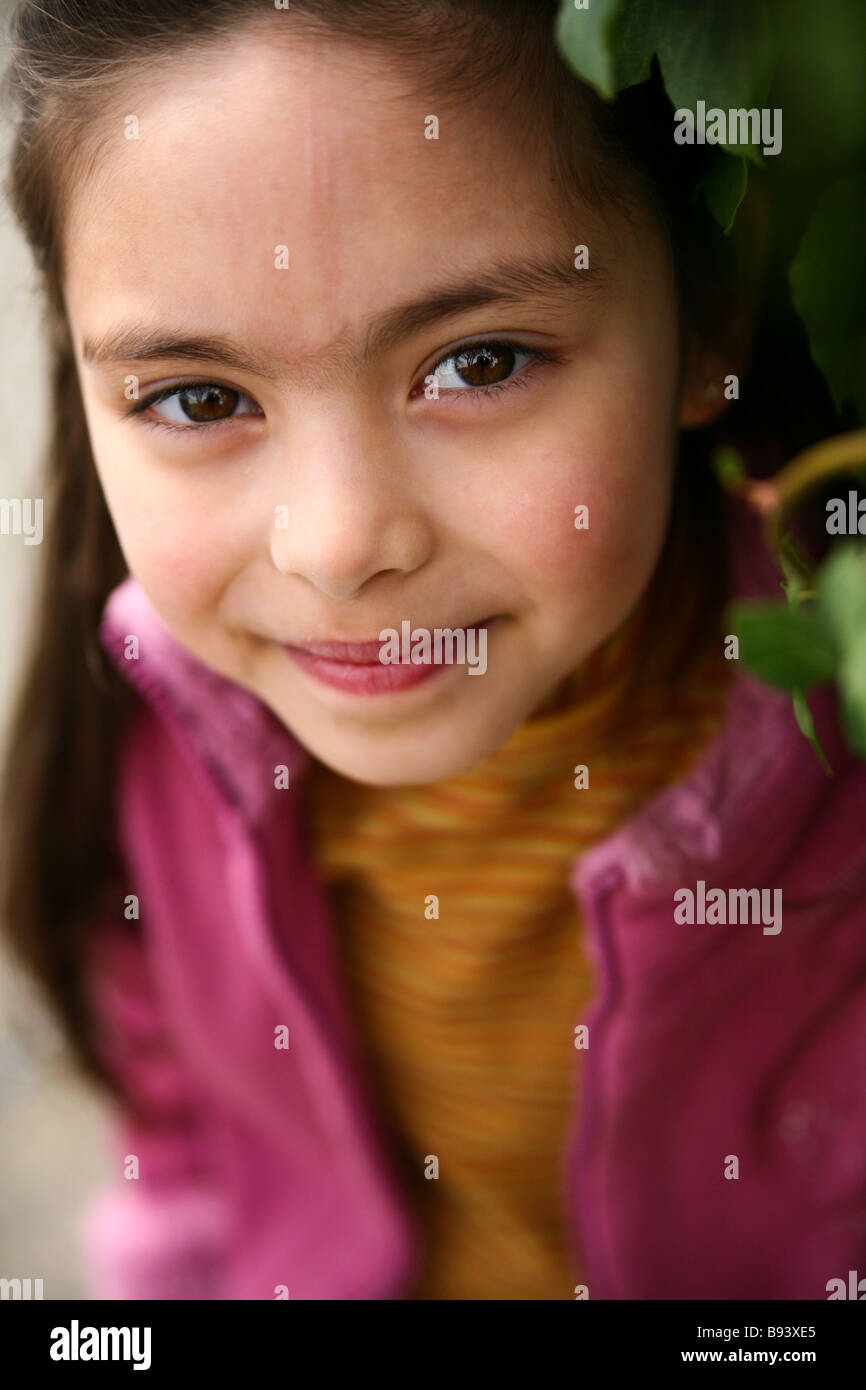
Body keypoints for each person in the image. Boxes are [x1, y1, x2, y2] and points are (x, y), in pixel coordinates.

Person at [1, 0, 864, 1300]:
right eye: (198, 397)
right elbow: (185, 1166)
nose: (338, 545)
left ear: (710, 313)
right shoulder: (155, 738)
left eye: (479, 362)